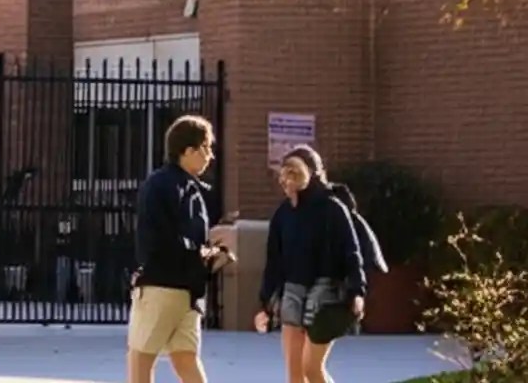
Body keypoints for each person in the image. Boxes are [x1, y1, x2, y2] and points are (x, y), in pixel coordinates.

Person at [127, 114, 229, 383]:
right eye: (207, 148)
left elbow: (169, 239)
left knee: (158, 357)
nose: (210, 156)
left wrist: (207, 254)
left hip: (175, 288)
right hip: (175, 288)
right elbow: (164, 237)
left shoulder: (177, 186)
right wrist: (202, 254)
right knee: (165, 357)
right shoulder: (173, 187)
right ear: (188, 150)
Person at [255, 146, 368, 383]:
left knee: (311, 368)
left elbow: (352, 252)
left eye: (294, 172)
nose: (287, 180)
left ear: (311, 174)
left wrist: (357, 291)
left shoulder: (333, 208)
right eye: (284, 173)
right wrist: (265, 304)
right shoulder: (283, 214)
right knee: (295, 375)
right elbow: (274, 263)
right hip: (292, 295)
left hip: (325, 297)